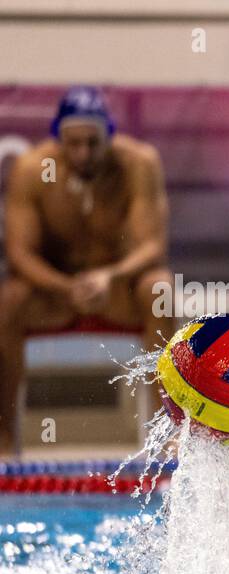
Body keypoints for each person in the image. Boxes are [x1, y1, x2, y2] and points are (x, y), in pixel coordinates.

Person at [0, 86, 172, 455]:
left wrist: (110, 276)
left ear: (110, 134)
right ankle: (4, 440)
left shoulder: (138, 164)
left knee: (160, 289)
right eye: (73, 143)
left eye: (93, 143)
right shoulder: (33, 169)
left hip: (117, 293)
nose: (83, 153)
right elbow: (18, 253)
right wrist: (65, 286)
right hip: (55, 297)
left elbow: (152, 245)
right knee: (8, 300)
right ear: (58, 137)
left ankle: (164, 440)